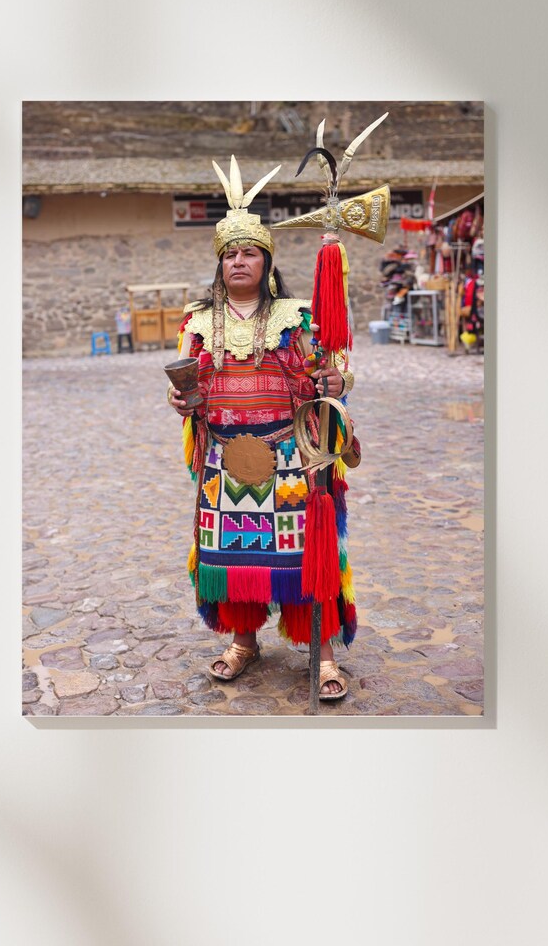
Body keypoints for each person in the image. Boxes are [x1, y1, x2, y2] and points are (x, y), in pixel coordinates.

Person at [167, 158, 356, 700]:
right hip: (224, 461)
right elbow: (183, 392)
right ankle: (243, 642)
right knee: (231, 558)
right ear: (219, 265)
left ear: (267, 262)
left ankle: (321, 656)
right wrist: (181, 399)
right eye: (230, 253)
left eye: (249, 251)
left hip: (293, 456)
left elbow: (338, 372)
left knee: (306, 558)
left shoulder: (299, 317)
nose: (239, 260)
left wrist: (336, 383)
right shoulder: (197, 321)